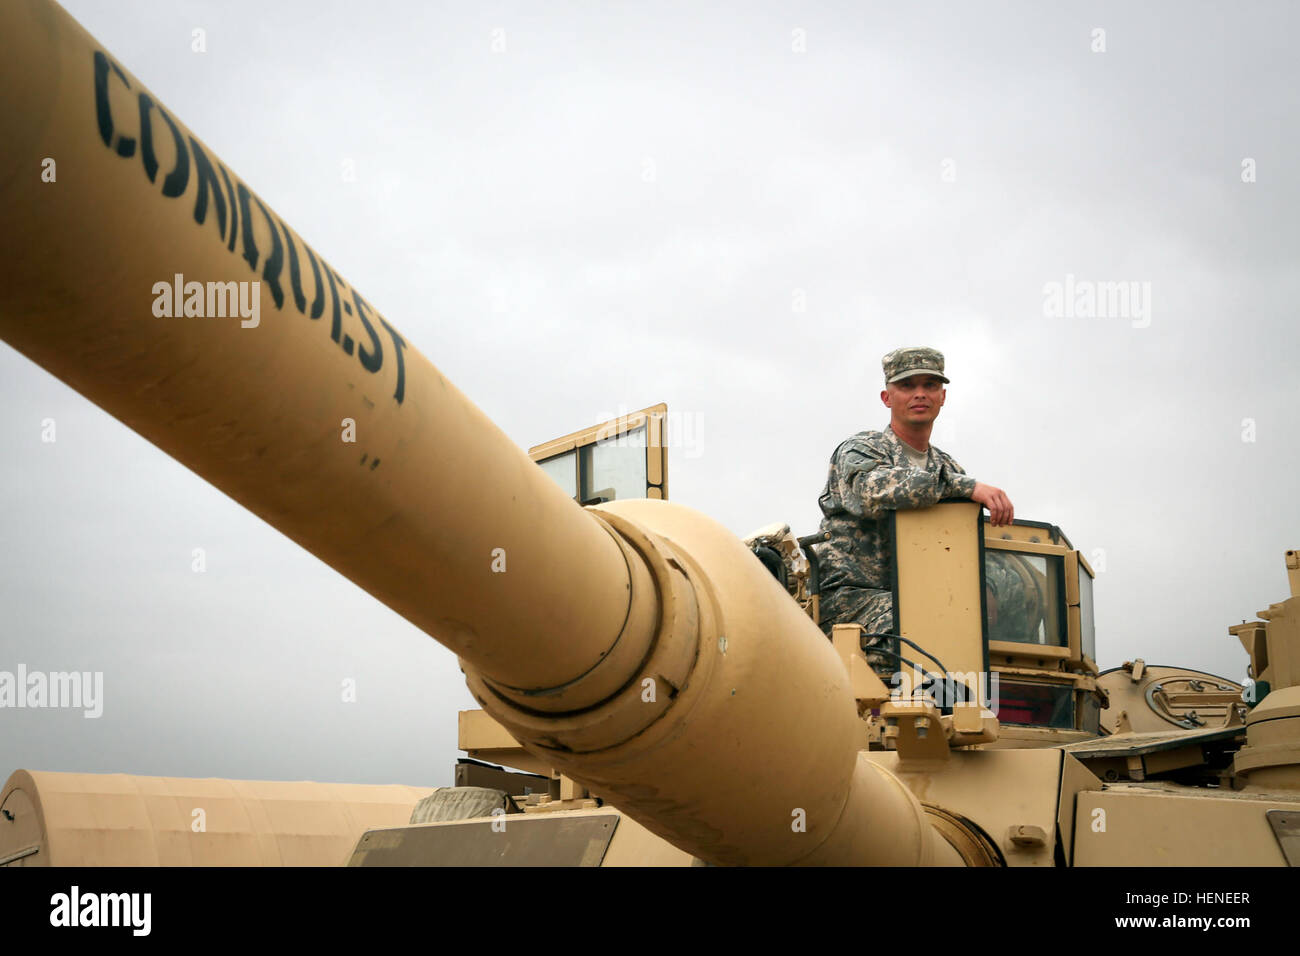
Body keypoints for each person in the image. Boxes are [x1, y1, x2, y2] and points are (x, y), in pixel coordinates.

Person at [815, 346, 1014, 669]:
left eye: (930, 386)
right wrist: (965, 487)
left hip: (925, 595)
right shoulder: (861, 449)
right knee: (921, 621)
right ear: (886, 398)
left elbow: (960, 542)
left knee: (992, 619)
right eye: (907, 386)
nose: (920, 394)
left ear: (942, 397)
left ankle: (970, 710)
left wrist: (988, 588)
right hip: (850, 600)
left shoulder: (947, 465)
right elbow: (871, 491)